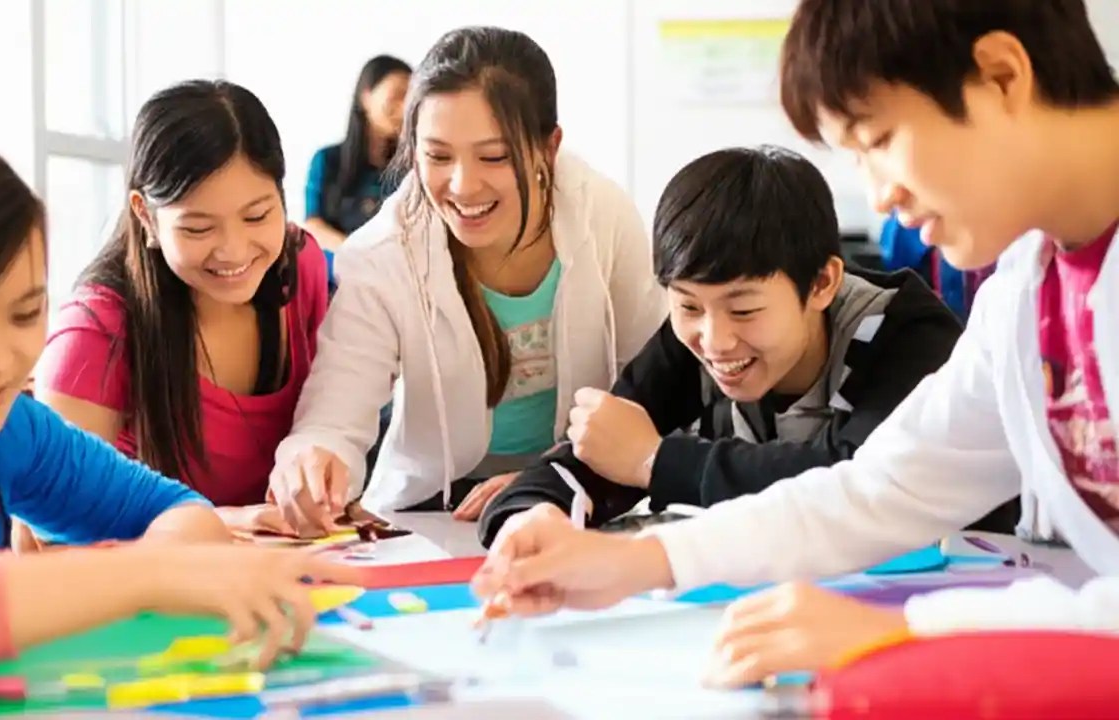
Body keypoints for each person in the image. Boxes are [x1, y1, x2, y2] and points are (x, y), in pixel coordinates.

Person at [472, 0, 1119, 688]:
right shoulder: (1026, 290)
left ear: (1000, 75)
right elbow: (884, 487)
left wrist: (906, 632)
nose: (880, 195)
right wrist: (638, 563)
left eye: (878, 138)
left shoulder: (936, 312)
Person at [0, 132, 355, 691]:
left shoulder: (10, 427)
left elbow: (182, 512)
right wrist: (145, 575)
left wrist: (163, 568)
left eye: (24, 314)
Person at [478, 146, 1020, 546]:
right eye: (687, 304)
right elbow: (603, 448)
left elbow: (857, 484)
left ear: (822, 284)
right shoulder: (695, 334)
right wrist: (530, 516)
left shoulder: (908, 336)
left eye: (745, 310)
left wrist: (656, 460)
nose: (715, 340)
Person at [271, 26, 667, 533]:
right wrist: (311, 461)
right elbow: (334, 416)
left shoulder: (602, 214)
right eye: (437, 156)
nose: (462, 185)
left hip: (581, 492)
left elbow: (654, 387)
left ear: (549, 147)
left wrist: (547, 475)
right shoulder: (384, 254)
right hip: (433, 512)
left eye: (494, 156)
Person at [34, 81, 329, 537]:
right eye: (197, 228)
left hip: (282, 574)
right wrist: (218, 521)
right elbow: (52, 525)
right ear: (146, 216)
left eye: (257, 216)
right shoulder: (96, 329)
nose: (233, 251)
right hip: (154, 587)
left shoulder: (298, 265)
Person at [304, 54, 412, 258]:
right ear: (366, 96)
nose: (404, 106)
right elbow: (313, 226)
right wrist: (359, 256)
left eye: (411, 97)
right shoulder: (327, 160)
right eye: (397, 94)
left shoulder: (411, 168)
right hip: (338, 278)